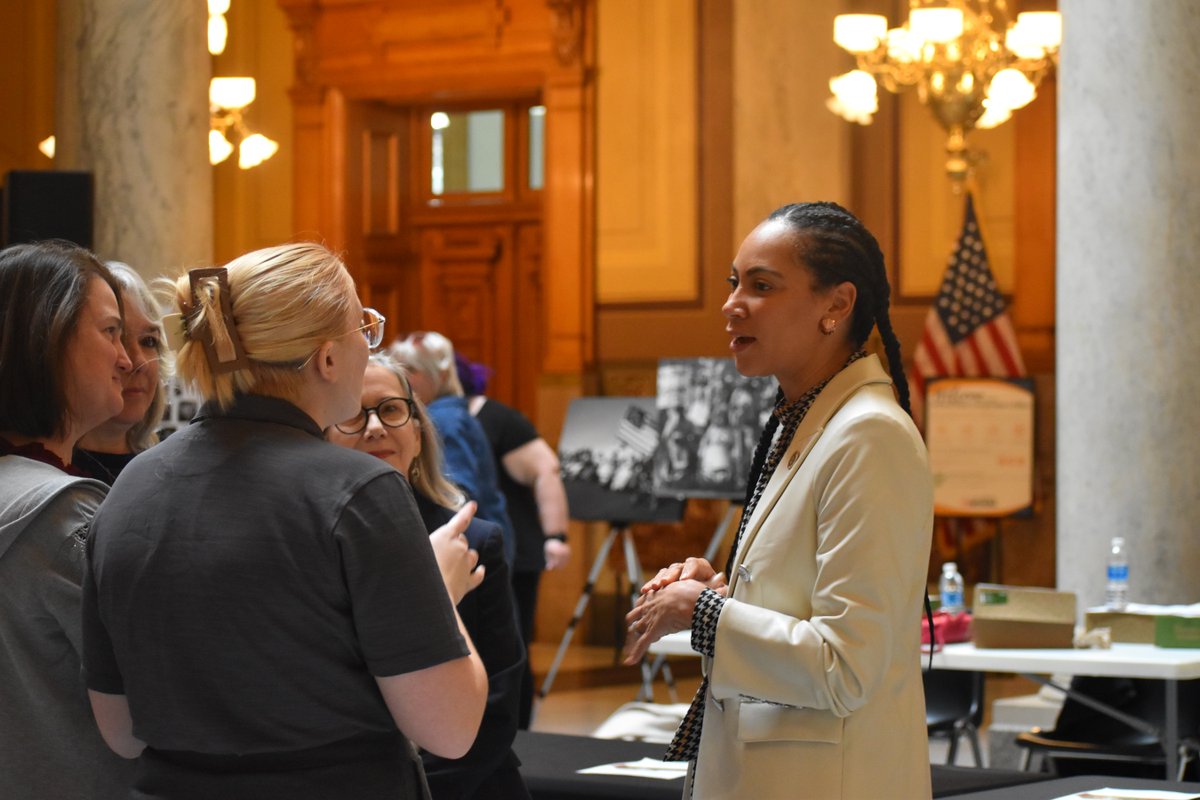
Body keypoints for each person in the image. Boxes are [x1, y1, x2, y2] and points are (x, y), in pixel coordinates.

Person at [81, 243, 488, 800]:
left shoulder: (127, 489)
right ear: (327, 358)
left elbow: (121, 732)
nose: (369, 349)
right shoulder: (358, 491)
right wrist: (439, 594)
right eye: (363, 331)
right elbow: (451, 728)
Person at [623, 202, 934, 799]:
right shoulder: (807, 419)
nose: (732, 303)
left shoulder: (870, 434)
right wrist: (720, 589)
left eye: (762, 285)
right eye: (734, 283)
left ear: (836, 306)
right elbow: (798, 607)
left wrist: (703, 614)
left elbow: (845, 666)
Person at [329, 353, 530, 799]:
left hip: (466, 784)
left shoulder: (473, 541)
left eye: (391, 410)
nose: (376, 427)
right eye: (352, 414)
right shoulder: (309, 546)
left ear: (417, 432)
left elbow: (499, 703)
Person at [0, 241, 137, 799]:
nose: (127, 360)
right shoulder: (62, 513)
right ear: (46, 337)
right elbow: (153, 700)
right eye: (111, 333)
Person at [456, 356, 570, 730]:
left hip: (514, 553)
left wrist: (556, 536)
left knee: (513, 649)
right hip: (476, 552)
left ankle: (519, 734)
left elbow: (546, 470)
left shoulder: (500, 418)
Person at [390, 332, 517, 565]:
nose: (401, 377)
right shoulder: (452, 413)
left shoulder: (444, 419)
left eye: (412, 369)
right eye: (399, 367)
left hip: (470, 551)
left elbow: (455, 494)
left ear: (441, 374)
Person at [75, 261, 169, 484]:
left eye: (148, 341)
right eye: (115, 337)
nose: (138, 362)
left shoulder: (172, 469)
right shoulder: (47, 468)